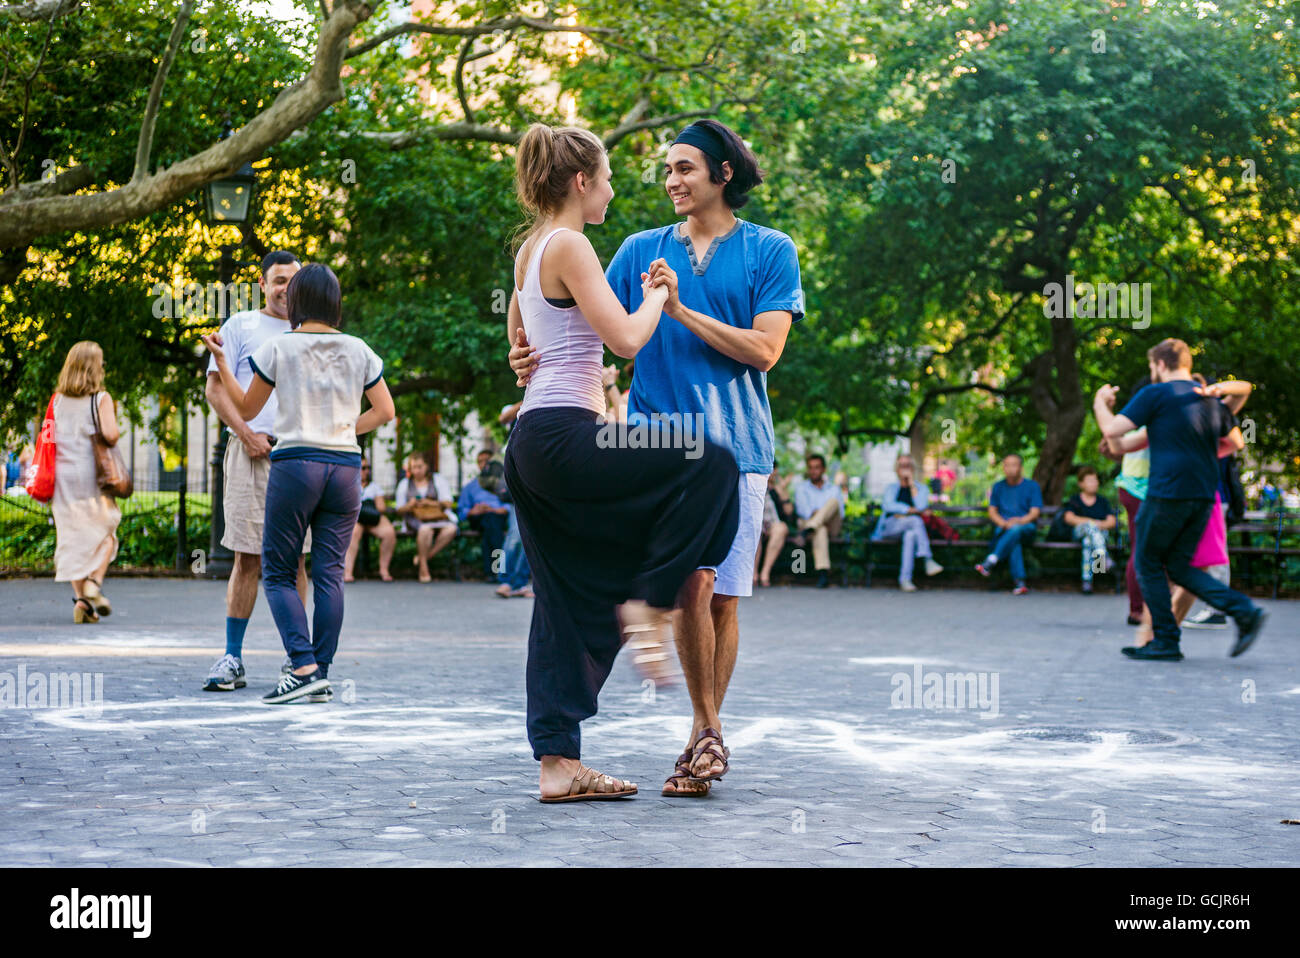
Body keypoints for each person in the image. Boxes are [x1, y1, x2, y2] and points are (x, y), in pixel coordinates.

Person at [510, 119, 802, 797]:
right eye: (659, 170)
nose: (667, 181)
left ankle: (570, 761)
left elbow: (765, 351)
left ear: (723, 174)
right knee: (702, 499)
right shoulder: (621, 249)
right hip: (623, 442)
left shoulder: (769, 250)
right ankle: (648, 600)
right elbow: (618, 338)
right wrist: (653, 299)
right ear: (581, 181)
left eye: (684, 168)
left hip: (555, 440)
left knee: (577, 597)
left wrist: (676, 308)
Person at [203, 263, 395, 702]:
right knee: (329, 573)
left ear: (299, 301)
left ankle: (303, 666)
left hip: (296, 464)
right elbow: (385, 412)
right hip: (345, 467)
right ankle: (320, 671)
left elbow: (247, 411)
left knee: (277, 570)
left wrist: (221, 362)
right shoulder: (359, 349)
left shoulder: (281, 348)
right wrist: (345, 427)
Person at [1094, 338, 1265, 660]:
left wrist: (1100, 403)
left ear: (1159, 364)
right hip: (1203, 496)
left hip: (1168, 493)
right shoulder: (1210, 401)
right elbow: (1234, 438)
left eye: (1151, 366)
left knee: (1147, 562)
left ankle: (1165, 641)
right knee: (1179, 566)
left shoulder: (1155, 394)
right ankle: (1243, 612)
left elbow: (1114, 430)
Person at [202, 251, 310, 692]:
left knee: (296, 560)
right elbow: (215, 389)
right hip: (249, 455)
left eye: (294, 281)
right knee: (247, 557)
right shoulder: (240, 326)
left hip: (296, 458)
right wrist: (246, 434)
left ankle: (295, 660)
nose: (286, 288)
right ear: (263, 284)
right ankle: (232, 658)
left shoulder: (312, 333)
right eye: (279, 280)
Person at [48, 342, 122, 623]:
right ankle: (93, 583)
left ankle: (82, 605)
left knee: (71, 538)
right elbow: (111, 435)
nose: (103, 367)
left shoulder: (56, 401)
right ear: (94, 367)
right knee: (107, 529)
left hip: (62, 476)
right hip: (90, 475)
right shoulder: (100, 399)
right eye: (100, 362)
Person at [871, 454, 943, 592]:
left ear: (913, 468)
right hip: (890, 528)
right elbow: (888, 506)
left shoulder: (921, 488)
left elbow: (921, 505)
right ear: (896, 469)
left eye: (908, 466)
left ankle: (905, 579)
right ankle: (927, 558)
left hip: (909, 528)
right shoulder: (891, 488)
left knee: (910, 535)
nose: (905, 469)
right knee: (915, 520)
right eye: (902, 466)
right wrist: (909, 510)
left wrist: (911, 485)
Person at [975, 453, 1042, 595]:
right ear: (1003, 468)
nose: (1011, 469)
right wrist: (1004, 524)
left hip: (1026, 528)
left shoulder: (1032, 486)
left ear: (1021, 468)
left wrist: (1018, 521)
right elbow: (992, 511)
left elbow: (1035, 512)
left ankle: (991, 560)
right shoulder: (998, 487)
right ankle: (1020, 582)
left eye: (1014, 465)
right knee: (1013, 541)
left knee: (1016, 531)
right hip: (1004, 529)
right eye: (1007, 465)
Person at [394, 451, 456, 583]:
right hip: (414, 518)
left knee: (451, 529)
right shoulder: (404, 484)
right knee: (425, 530)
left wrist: (430, 503)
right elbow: (399, 510)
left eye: (420, 467)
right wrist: (410, 505)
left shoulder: (438, 479)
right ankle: (423, 568)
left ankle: (424, 558)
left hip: (436, 517)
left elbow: (448, 503)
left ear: (426, 466)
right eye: (414, 467)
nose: (417, 471)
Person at [793, 454, 846, 589]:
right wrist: (820, 518)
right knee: (820, 529)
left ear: (823, 469)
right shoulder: (801, 488)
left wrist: (821, 514)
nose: (813, 471)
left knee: (833, 502)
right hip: (812, 524)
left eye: (816, 468)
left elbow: (840, 512)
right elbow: (803, 511)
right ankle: (823, 574)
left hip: (832, 526)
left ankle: (808, 530)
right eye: (810, 468)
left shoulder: (834, 489)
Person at [1062, 465, 1116, 594]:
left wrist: (1096, 525)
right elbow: (1069, 518)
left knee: (1088, 541)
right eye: (1090, 480)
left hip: (1098, 536)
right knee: (1089, 528)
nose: (1094, 483)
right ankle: (1103, 558)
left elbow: (1111, 522)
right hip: (1079, 533)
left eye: (1095, 480)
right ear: (1081, 484)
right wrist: (1091, 522)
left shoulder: (1102, 501)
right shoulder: (1075, 500)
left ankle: (1087, 581)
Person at [457, 450, 510, 582]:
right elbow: (462, 511)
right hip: (477, 518)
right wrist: (472, 511)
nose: (483, 464)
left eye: (487, 460)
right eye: (480, 461)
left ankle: (490, 573)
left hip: (497, 516)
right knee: (492, 526)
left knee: (491, 527)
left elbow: (509, 504)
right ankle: (498, 570)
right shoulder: (471, 486)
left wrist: (495, 509)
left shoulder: (502, 484)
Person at [343, 457, 395, 582]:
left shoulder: (374, 487)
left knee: (389, 533)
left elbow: (381, 507)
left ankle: (384, 569)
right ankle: (348, 572)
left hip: (371, 519)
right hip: (355, 519)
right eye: (362, 468)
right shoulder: (347, 485)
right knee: (354, 533)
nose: (365, 471)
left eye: (367, 468)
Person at [754, 470, 794, 588]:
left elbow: (789, 512)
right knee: (755, 529)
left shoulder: (776, 490)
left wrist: (782, 491)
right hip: (757, 523)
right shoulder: (754, 486)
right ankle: (753, 573)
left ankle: (765, 573)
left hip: (773, 525)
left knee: (781, 529)